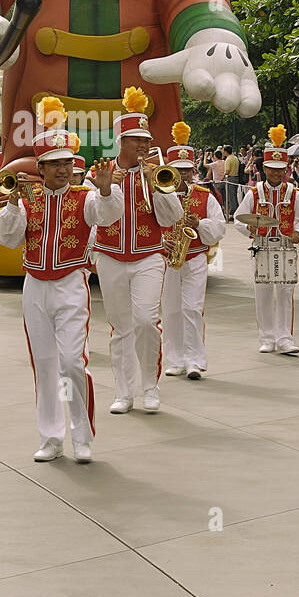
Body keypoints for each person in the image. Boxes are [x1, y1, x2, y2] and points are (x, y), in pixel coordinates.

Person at [0, 102, 124, 463]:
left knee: (71, 362)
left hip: (70, 284)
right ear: (41, 168)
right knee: (45, 363)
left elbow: (108, 215)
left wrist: (108, 190)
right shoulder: (28, 198)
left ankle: (82, 435)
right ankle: (50, 437)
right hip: (34, 286)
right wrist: (12, 206)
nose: (64, 169)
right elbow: (8, 238)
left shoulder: (86, 198)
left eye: (68, 163)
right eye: (56, 164)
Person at [94, 88, 182, 414]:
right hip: (110, 255)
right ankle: (123, 391)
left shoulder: (156, 173)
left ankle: (150, 385)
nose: (144, 146)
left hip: (148, 255)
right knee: (120, 326)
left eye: (146, 140)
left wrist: (157, 185)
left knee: (145, 320)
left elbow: (172, 217)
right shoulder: (101, 172)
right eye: (137, 141)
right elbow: (101, 218)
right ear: (122, 141)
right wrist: (105, 190)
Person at [234, 126, 299, 354]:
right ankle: (267, 337)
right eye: (272, 170)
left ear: (285, 169)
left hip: (286, 247)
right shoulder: (254, 193)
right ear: (265, 168)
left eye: (280, 170)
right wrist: (249, 229)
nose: (276, 174)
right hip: (262, 247)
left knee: (286, 292)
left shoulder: (293, 193)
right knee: (264, 292)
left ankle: (285, 338)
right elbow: (239, 218)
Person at [160, 124, 227, 379]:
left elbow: (219, 227)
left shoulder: (205, 195)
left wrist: (198, 224)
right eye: (178, 171)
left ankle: (194, 360)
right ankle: (175, 359)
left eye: (187, 171)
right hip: (168, 257)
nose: (183, 176)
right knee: (170, 309)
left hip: (196, 256)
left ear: (193, 171)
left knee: (192, 308)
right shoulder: (159, 194)